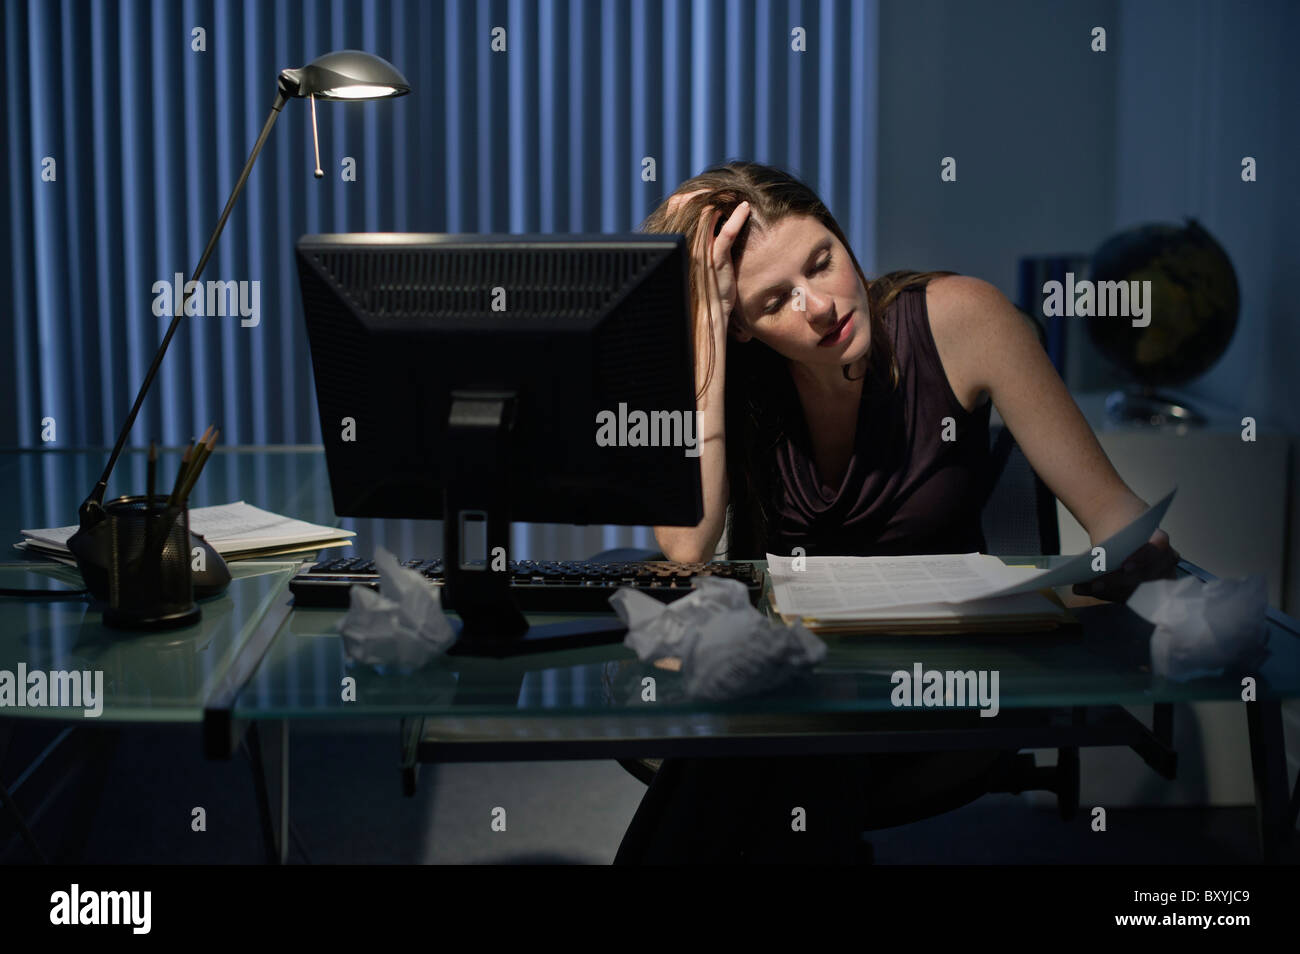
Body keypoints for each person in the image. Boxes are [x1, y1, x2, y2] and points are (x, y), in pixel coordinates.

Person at [614, 161, 1180, 864]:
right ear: (741, 327)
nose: (819, 306)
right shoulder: (741, 376)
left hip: (947, 681)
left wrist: (1138, 549)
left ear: (840, 235)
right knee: (773, 736)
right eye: (772, 302)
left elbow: (1117, 515)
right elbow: (688, 548)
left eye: (822, 262)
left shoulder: (962, 318)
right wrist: (702, 333)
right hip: (804, 684)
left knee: (756, 750)